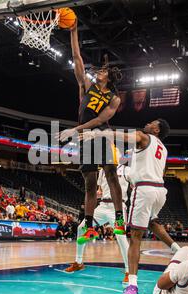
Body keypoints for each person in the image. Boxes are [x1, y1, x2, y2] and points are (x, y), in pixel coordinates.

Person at [81, 119, 181, 294]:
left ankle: (132, 285)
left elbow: (123, 136)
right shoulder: (163, 149)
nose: (148, 124)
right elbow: (146, 165)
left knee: (135, 238)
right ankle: (177, 249)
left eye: (152, 123)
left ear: (156, 130)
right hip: (160, 190)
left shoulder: (144, 136)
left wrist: (98, 133)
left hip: (144, 189)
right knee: (152, 222)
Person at [58, 21, 125, 244]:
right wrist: (74, 31)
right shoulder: (86, 85)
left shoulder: (114, 98)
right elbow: (77, 58)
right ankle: (88, 225)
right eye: (97, 70)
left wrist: (74, 130)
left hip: (101, 134)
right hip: (85, 139)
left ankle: (118, 219)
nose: (97, 72)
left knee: (111, 174)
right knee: (89, 183)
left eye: (102, 70)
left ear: (109, 75)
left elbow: (99, 120)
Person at [64, 164, 131, 283]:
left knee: (121, 237)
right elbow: (99, 190)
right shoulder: (101, 171)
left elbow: (135, 185)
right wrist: (97, 194)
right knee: (81, 228)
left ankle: (128, 271)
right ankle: (79, 262)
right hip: (103, 206)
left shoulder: (126, 170)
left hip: (118, 206)